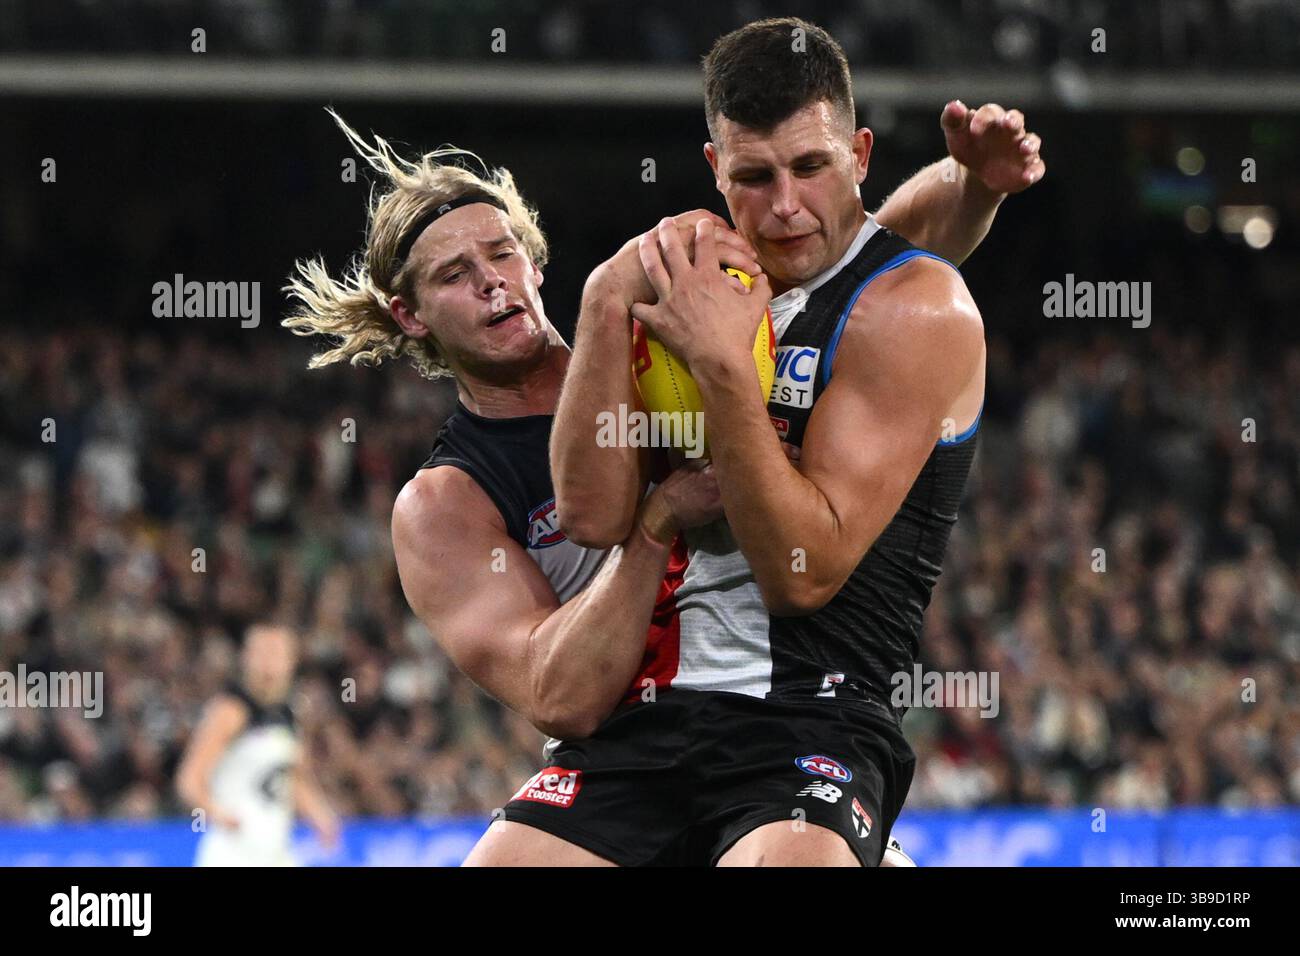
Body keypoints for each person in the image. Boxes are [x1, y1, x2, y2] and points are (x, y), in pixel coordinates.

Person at [281, 86, 1043, 864]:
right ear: (409, 314)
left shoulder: (660, 339)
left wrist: (969, 184)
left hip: (787, 718)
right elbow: (558, 695)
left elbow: (857, 255)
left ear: (534, 261)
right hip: (628, 753)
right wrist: (654, 527)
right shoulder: (446, 503)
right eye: (453, 274)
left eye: (502, 253)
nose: (491, 282)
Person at [542, 17, 1044, 866]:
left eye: (811, 167)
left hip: (814, 717)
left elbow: (799, 576)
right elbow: (588, 518)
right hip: (649, 714)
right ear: (715, 169)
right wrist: (601, 299)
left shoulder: (916, 307)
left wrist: (720, 368)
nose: (783, 205)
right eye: (753, 176)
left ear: (860, 155)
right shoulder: (698, 281)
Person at [176, 624, 339, 866]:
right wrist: (217, 813)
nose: (268, 663)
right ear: (246, 658)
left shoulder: (291, 715)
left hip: (275, 849)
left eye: (276, 654)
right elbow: (189, 780)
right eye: (261, 653)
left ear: (291, 661)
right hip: (232, 852)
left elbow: (291, 778)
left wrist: (318, 813)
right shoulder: (230, 710)